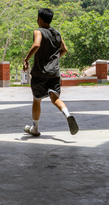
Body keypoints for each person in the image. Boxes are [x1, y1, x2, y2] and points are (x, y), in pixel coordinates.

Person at [21, 7, 78, 137]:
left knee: (36, 100)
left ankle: (35, 128)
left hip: (40, 73)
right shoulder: (57, 33)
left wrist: (26, 59)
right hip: (54, 74)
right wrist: (54, 60)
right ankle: (67, 114)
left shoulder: (38, 31)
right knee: (55, 98)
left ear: (40, 19)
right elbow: (64, 49)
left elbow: (36, 45)